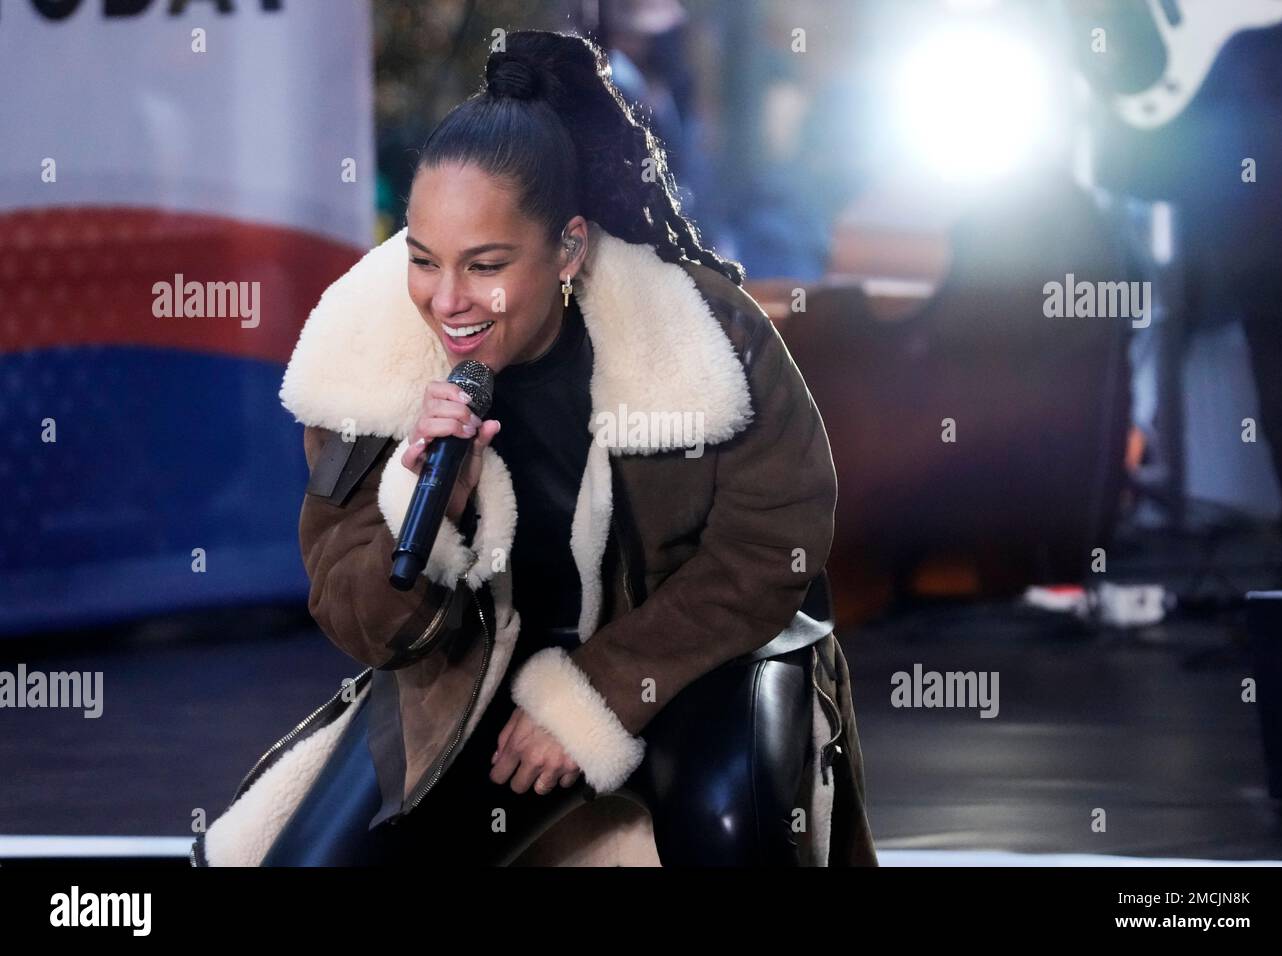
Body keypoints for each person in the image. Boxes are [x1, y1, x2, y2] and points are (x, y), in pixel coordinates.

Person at [205, 29, 876, 867]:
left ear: (569, 247)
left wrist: (598, 690)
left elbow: (778, 538)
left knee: (732, 821)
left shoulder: (701, 327)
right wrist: (426, 516)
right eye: (422, 260)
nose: (447, 301)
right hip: (481, 673)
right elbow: (358, 619)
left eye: (486, 264)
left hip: (695, 658)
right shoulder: (366, 358)